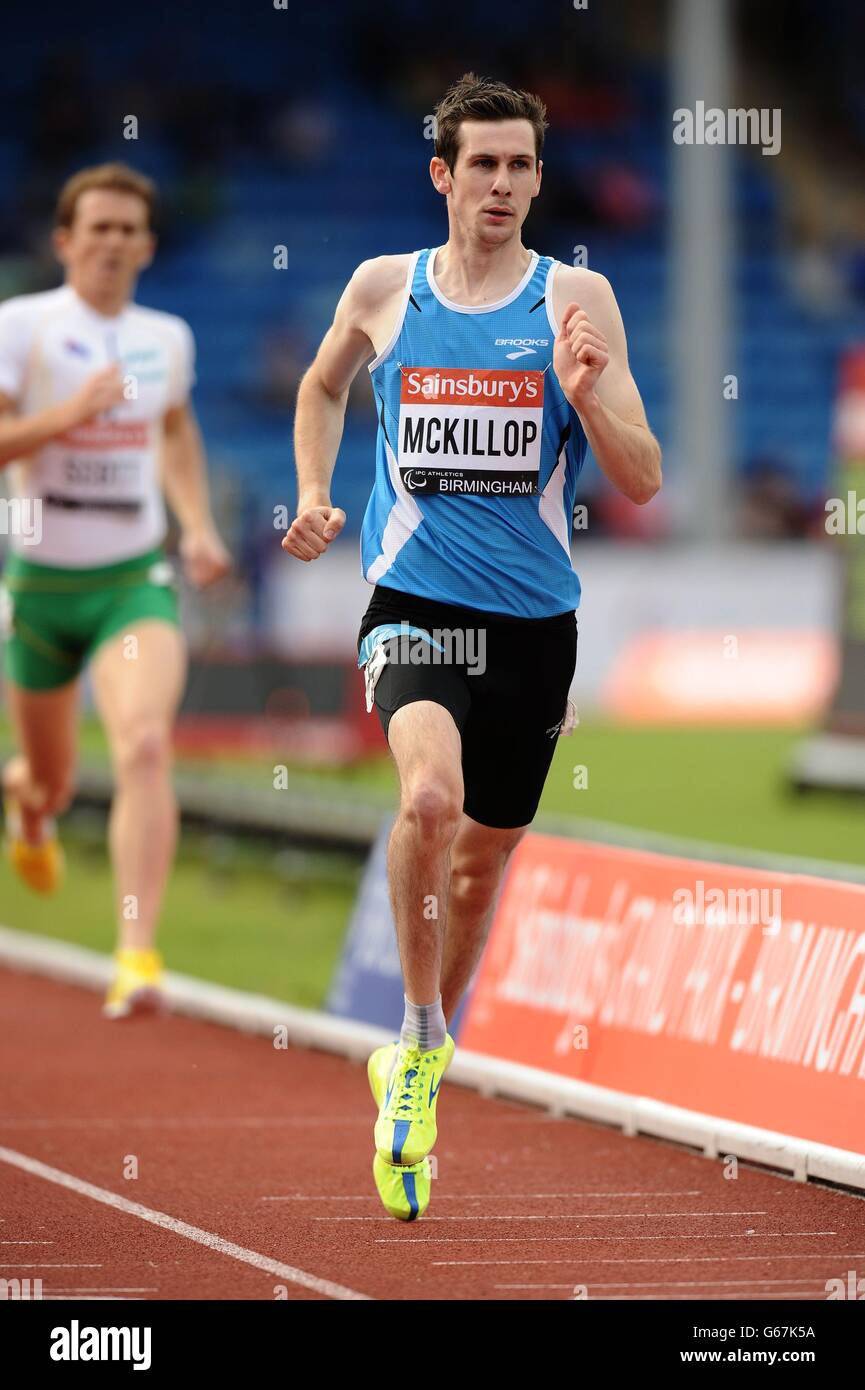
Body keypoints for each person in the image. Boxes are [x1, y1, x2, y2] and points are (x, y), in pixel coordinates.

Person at [282, 73, 661, 1220]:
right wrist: (311, 489)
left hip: (535, 627)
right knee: (429, 802)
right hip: (412, 603)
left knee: (482, 862)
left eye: (522, 165)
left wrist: (587, 400)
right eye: (482, 164)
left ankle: (419, 1060)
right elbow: (319, 384)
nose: (503, 184)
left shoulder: (575, 300)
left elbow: (643, 474)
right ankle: (408, 1032)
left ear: (541, 180)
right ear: (442, 175)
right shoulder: (382, 288)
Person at [0, 162, 230, 1018]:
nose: (113, 242)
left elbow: (175, 431)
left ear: (148, 245)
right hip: (37, 586)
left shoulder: (165, 336)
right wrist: (68, 415)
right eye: (97, 227)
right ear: (65, 240)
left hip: (133, 580)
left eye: (128, 229)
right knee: (54, 781)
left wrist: (198, 525)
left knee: (141, 746)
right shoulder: (22, 326)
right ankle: (28, 806)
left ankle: (136, 953)